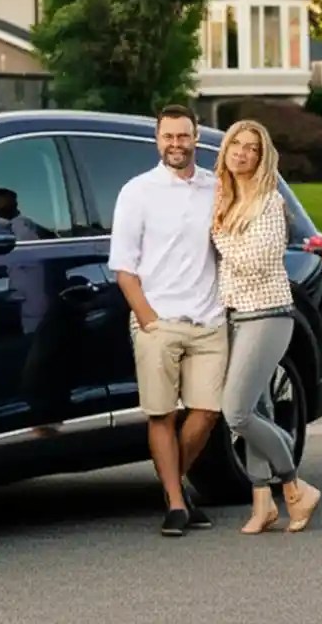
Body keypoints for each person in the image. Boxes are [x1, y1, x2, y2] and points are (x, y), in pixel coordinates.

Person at [108, 104, 228, 537]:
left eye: (183, 136)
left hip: (210, 320)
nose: (176, 144)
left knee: (208, 412)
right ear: (157, 141)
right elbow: (123, 267)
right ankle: (177, 504)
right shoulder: (137, 192)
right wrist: (148, 319)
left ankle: (171, 483)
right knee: (161, 415)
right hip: (158, 320)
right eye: (168, 137)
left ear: (196, 139)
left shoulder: (216, 188)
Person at [210, 119, 322, 534]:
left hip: (268, 315)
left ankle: (295, 485)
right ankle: (263, 504)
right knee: (258, 407)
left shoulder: (269, 202)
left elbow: (257, 261)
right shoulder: (225, 198)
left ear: (262, 156)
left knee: (235, 412)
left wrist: (221, 236)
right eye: (235, 144)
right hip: (236, 315)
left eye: (251, 147)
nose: (241, 152)